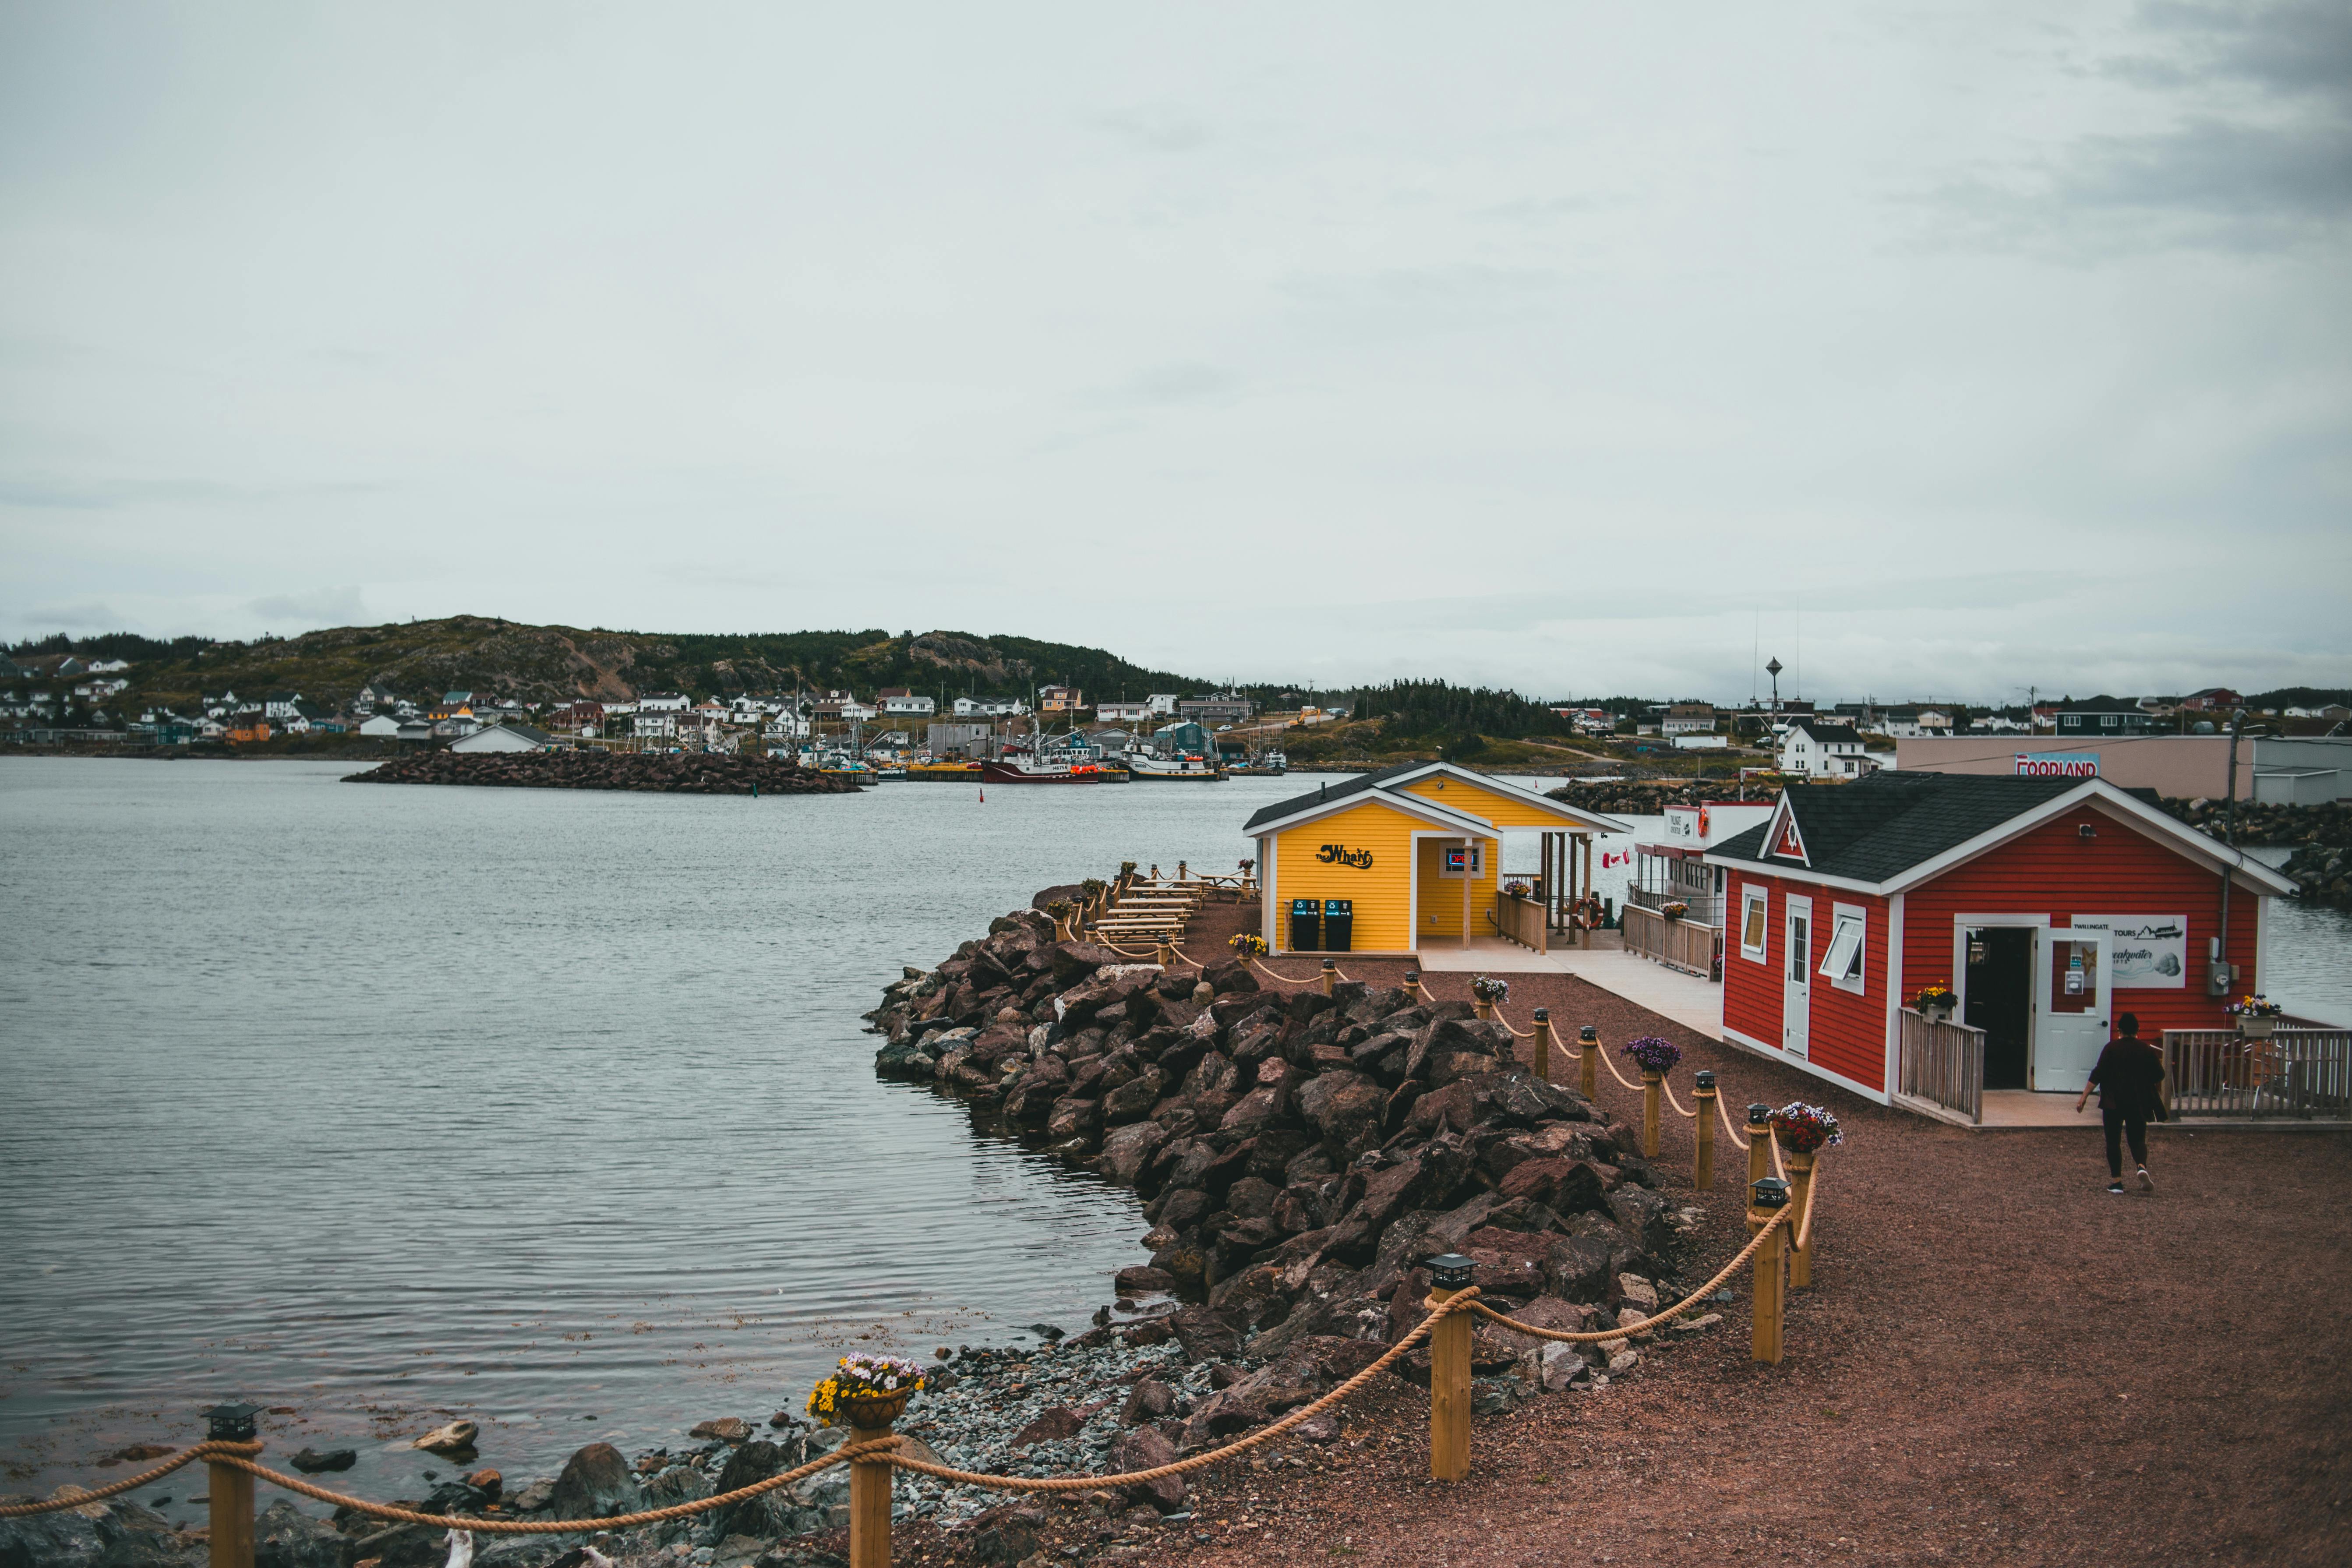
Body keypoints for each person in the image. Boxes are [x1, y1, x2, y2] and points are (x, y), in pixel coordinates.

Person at [2076, 1012, 2166, 1194]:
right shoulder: (2146, 1050)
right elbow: (2160, 1074)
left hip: (2113, 1102)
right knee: (2138, 1139)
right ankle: (2141, 1166)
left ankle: (2117, 1183)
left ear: (2120, 1031)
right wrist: (2145, 1080)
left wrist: (2084, 1096)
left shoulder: (2111, 1049)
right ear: (2137, 1030)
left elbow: (2098, 1074)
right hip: (2139, 1101)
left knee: (2113, 1140)